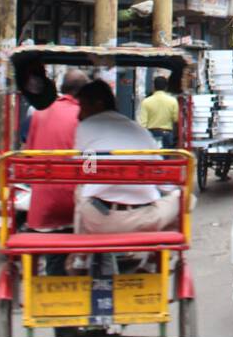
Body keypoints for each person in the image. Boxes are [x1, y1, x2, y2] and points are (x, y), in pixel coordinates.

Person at [74, 79, 183, 241]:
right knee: (183, 197)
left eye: (82, 107)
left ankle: (81, 256)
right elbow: (165, 184)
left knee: (80, 191)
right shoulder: (141, 132)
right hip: (143, 221)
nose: (79, 114)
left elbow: (84, 172)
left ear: (97, 104)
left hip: (98, 221)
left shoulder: (84, 127)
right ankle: (156, 256)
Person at [25, 69, 87, 274]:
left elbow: (30, 156)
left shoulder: (39, 113)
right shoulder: (86, 116)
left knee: (54, 255)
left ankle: (55, 285)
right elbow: (92, 166)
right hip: (76, 205)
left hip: (44, 205)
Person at [138, 74, 180, 149]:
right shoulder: (173, 101)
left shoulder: (146, 101)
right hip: (167, 133)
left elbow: (143, 123)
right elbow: (176, 119)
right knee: (166, 157)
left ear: (154, 86)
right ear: (166, 87)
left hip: (151, 134)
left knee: (153, 157)